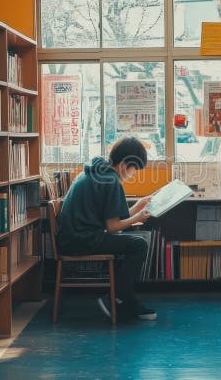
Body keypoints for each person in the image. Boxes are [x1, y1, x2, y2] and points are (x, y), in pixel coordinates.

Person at [57, 137, 156, 321]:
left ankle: (120, 297)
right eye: (135, 170)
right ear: (125, 164)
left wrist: (138, 206)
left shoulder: (98, 171)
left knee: (133, 242)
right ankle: (118, 297)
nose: (134, 175)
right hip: (81, 240)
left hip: (72, 236)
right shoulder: (111, 181)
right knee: (140, 244)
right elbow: (112, 227)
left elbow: (114, 218)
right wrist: (139, 217)